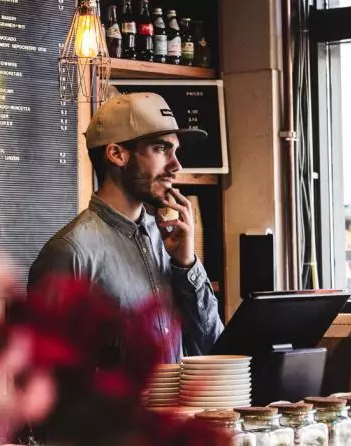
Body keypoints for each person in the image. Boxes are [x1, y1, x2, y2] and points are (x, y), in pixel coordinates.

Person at [27, 92, 224, 363]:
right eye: (161, 149)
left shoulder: (171, 242)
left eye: (175, 151)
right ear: (117, 154)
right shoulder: (70, 252)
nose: (176, 165)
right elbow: (48, 377)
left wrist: (186, 264)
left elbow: (213, 347)